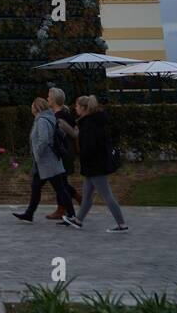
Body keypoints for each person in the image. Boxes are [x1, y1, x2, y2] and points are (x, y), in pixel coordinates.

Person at [13, 97, 77, 225]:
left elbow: (44, 140)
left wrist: (37, 154)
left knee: (60, 188)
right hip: (46, 162)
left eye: (32, 106)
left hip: (46, 161)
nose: (31, 108)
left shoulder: (42, 121)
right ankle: (29, 213)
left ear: (37, 108)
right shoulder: (48, 118)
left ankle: (72, 215)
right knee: (38, 187)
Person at [72, 95, 129, 232]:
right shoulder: (94, 121)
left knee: (106, 195)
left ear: (84, 108)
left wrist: (83, 158)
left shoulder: (89, 124)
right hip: (95, 164)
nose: (75, 108)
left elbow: (89, 146)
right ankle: (78, 220)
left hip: (95, 165)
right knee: (87, 195)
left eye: (77, 106)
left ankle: (122, 224)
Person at [45, 87, 82, 219]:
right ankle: (65, 206)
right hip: (68, 152)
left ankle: (65, 207)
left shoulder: (58, 117)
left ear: (54, 99)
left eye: (49, 96)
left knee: (60, 180)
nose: (47, 98)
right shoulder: (66, 114)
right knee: (61, 180)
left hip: (62, 153)